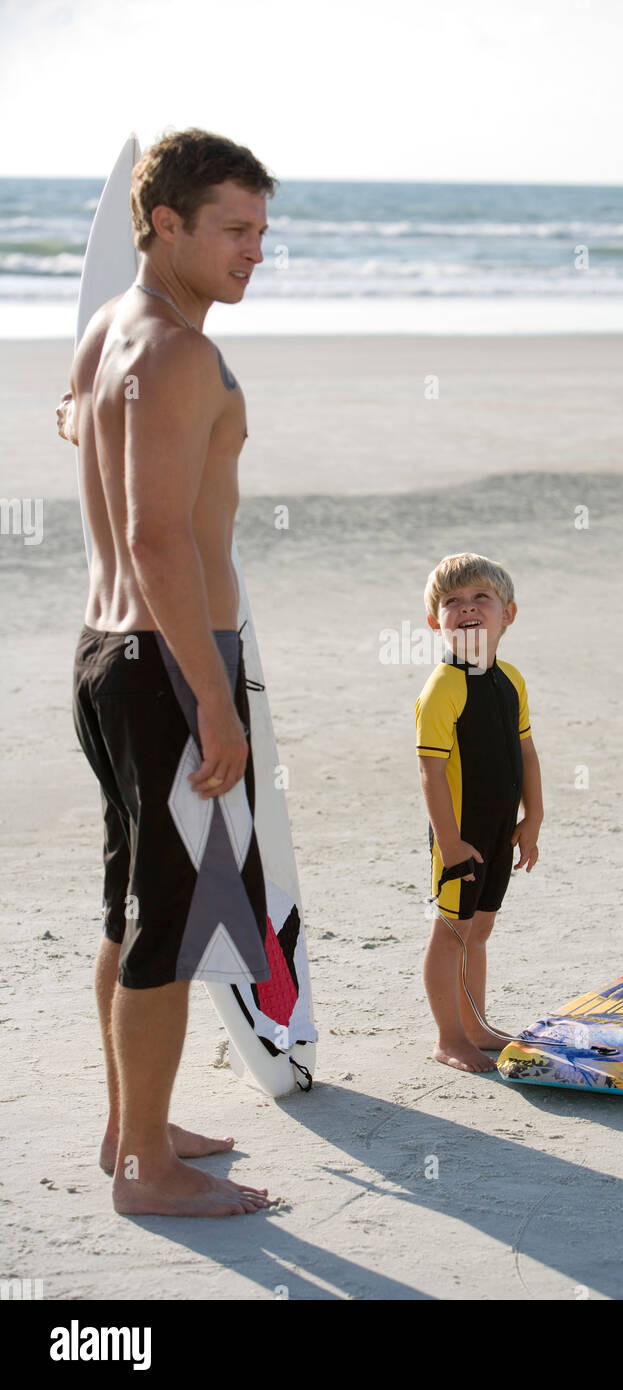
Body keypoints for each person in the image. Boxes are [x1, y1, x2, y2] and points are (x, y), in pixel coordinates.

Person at [56, 128, 277, 1217]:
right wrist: (209, 692)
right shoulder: (179, 354)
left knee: (127, 908)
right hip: (164, 662)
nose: (254, 251)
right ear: (166, 224)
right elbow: (158, 541)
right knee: (171, 921)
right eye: (234, 229)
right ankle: (146, 1171)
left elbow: (71, 422)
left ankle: (127, 1128)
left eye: (261, 231)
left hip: (106, 655)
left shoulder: (111, 330)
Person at [415, 553, 543, 1073]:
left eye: (479, 598)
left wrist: (532, 819)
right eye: (452, 602)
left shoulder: (510, 679)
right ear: (434, 622)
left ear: (508, 613)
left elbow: (527, 752)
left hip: (498, 833)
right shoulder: (442, 688)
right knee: (451, 932)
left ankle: (476, 1024)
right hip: (460, 835)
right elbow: (431, 772)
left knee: (481, 929)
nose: (466, 608)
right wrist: (448, 841)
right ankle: (449, 1037)